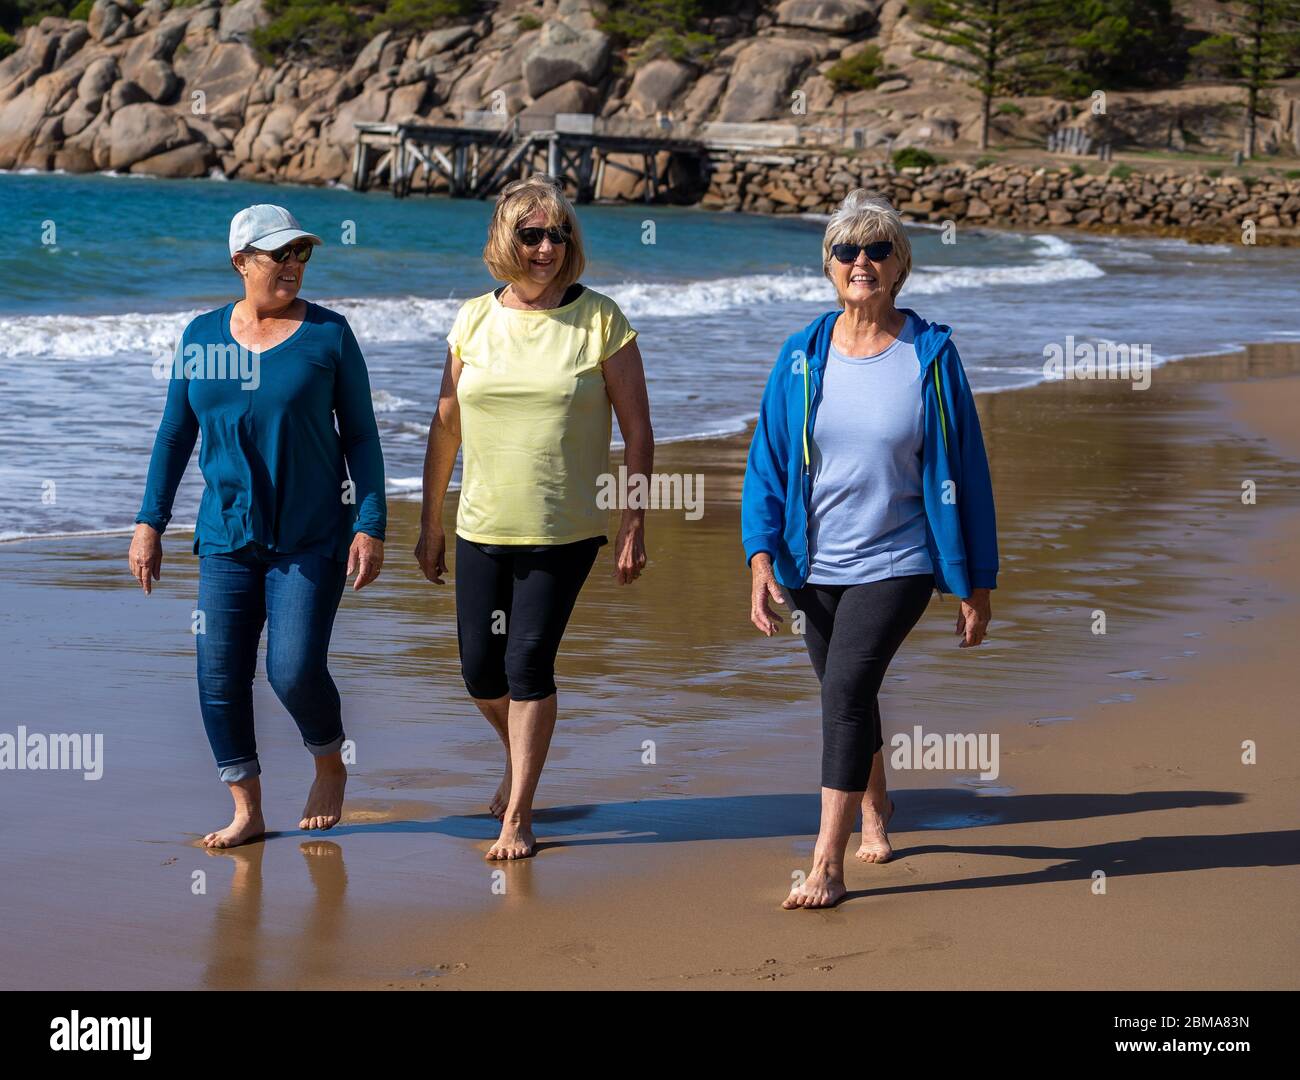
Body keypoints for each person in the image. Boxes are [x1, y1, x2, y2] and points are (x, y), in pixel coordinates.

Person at [741, 190, 998, 908]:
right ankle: (875, 806)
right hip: (811, 561)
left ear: (899, 265)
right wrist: (760, 557)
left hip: (901, 558)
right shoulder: (802, 354)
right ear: (828, 267)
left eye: (878, 249)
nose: (862, 262)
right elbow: (767, 460)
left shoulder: (931, 356)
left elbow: (967, 472)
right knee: (844, 691)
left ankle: (826, 860)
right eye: (847, 251)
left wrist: (978, 581)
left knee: (847, 690)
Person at [129, 204, 386, 849]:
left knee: (293, 669)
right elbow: (174, 434)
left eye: (302, 253)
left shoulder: (329, 336)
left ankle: (329, 758)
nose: (294, 265)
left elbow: (359, 434)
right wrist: (149, 521)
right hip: (225, 536)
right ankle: (248, 808)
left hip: (310, 535)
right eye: (280, 255)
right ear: (241, 261)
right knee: (217, 675)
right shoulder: (202, 338)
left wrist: (370, 522)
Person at [415, 175, 654, 861]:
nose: (547, 246)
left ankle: (519, 814)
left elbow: (638, 432)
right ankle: (520, 759)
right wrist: (430, 522)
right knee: (478, 672)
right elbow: (445, 427)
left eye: (559, 235)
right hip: (481, 525)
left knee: (526, 664)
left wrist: (634, 522)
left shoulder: (601, 319)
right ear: (505, 239)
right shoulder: (472, 319)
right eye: (532, 234)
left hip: (563, 528)